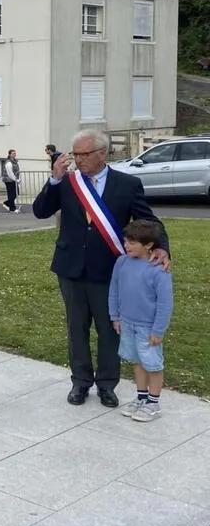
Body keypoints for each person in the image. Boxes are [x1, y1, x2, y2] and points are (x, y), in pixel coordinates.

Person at [33, 128, 169, 407]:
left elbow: (149, 221)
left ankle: (107, 385)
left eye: (84, 154)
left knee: (109, 330)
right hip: (71, 267)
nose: (78, 160)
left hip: (109, 270)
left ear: (102, 154)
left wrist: (162, 247)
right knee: (76, 328)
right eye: (75, 154)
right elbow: (40, 211)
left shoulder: (127, 184)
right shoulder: (67, 182)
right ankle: (80, 382)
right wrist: (54, 179)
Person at [109, 219, 173, 423]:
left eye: (132, 242)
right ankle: (141, 397)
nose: (126, 246)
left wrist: (158, 331)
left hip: (148, 328)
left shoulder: (159, 270)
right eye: (125, 241)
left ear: (148, 245)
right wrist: (115, 316)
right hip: (127, 324)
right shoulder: (121, 263)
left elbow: (165, 304)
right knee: (137, 361)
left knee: (152, 364)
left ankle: (153, 403)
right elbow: (114, 290)